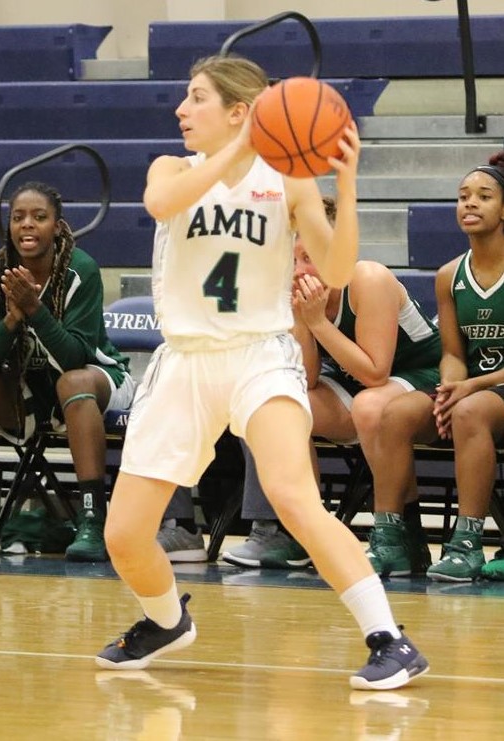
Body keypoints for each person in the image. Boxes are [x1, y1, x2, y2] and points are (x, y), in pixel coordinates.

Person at [94, 54, 428, 691]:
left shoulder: (290, 183)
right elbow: (161, 204)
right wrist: (246, 145)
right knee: (125, 536)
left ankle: (390, 639)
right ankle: (165, 621)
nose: (181, 109)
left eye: (197, 98)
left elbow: (336, 270)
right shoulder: (173, 169)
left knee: (294, 496)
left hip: (260, 353)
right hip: (186, 360)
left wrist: (346, 186)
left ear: (238, 110)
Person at [224, 197, 441, 571]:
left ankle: (398, 534)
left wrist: (318, 323)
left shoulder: (368, 278)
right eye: (292, 260)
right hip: (358, 384)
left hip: (422, 377)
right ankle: (303, 531)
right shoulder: (301, 294)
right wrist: (302, 320)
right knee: (277, 404)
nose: (298, 270)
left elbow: (375, 373)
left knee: (371, 405)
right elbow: (306, 379)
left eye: (309, 258)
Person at [0, 181, 134, 560]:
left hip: (97, 379)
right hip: (30, 388)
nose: (27, 224)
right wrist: (12, 319)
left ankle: (92, 519)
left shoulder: (80, 269)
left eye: (39, 217)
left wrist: (34, 309)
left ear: (57, 227)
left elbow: (75, 357)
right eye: (18, 217)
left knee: (73, 382)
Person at [367, 154, 504, 582]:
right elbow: (453, 353)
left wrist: (469, 390)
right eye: (463, 197)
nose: (470, 203)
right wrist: (448, 388)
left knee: (470, 410)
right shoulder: (449, 275)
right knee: (396, 413)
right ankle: (393, 544)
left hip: (489, 393)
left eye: (484, 196)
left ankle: (467, 545)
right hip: (470, 391)